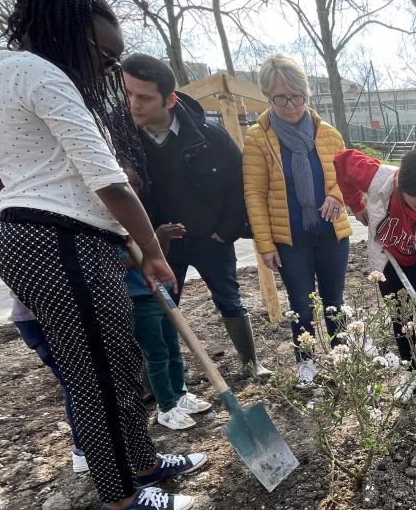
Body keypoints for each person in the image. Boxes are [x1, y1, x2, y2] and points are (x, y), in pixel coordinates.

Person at [0, 0, 206, 510]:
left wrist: (122, 240)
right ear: (67, 31)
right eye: (104, 56)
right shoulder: (41, 74)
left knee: (118, 365)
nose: (107, 70)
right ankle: (122, 499)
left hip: (59, 237)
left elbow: (66, 177)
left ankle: (144, 465)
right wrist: (152, 251)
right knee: (96, 375)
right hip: (56, 243)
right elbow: (107, 181)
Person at [120, 53, 271, 380]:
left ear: (169, 99)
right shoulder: (125, 144)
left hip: (210, 239)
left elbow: (238, 185)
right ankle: (159, 379)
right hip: (159, 244)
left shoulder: (209, 136)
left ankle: (251, 363)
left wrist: (225, 231)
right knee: (160, 307)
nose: (134, 104)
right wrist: (149, 238)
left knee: (229, 300)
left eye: (144, 97)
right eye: (129, 94)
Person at [0, 126, 87, 474]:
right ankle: (84, 450)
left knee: (80, 379)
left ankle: (92, 446)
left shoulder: (19, 204)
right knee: (76, 382)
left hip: (49, 313)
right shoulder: (0, 214)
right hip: (38, 317)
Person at [243, 53, 352, 387]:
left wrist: (336, 195)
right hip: (291, 242)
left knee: (335, 302)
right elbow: (255, 195)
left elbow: (347, 177)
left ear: (306, 94)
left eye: (297, 97)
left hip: (332, 235)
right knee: (301, 307)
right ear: (268, 96)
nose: (291, 105)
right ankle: (306, 364)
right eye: (281, 98)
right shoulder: (258, 139)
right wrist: (264, 244)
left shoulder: (329, 134)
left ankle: (343, 359)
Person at [334, 147, 416, 402]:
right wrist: (355, 204)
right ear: (401, 185)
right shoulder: (378, 179)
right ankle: (410, 374)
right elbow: (342, 161)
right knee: (399, 318)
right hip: (388, 259)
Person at [121, 169, 212, 431]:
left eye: (136, 185)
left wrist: (162, 240)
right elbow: (125, 263)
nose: (133, 192)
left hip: (159, 294)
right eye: (127, 186)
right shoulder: (111, 226)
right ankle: (166, 406)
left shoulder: (139, 220)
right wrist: (155, 239)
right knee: (157, 354)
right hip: (137, 299)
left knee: (173, 347)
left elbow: (156, 258)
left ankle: (180, 394)